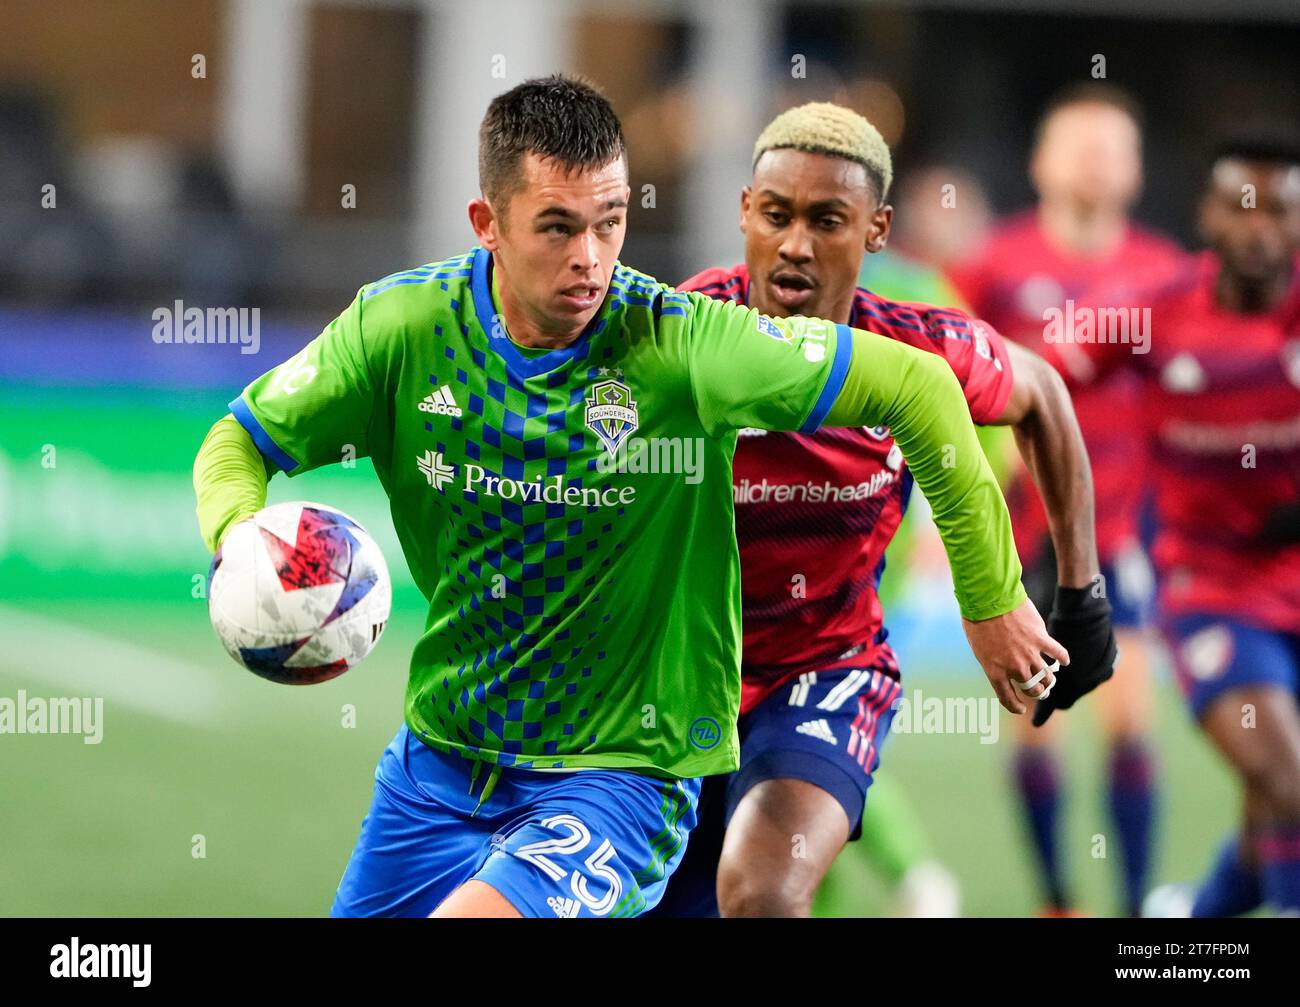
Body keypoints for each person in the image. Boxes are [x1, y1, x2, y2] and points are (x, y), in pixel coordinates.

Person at [191, 76, 1067, 918]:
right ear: (486, 224)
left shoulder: (680, 343)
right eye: (559, 227)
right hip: (438, 760)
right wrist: (241, 543)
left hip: (620, 775)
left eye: (610, 224)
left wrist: (992, 599)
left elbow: (917, 387)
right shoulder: (398, 331)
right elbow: (239, 441)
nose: (592, 259)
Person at [650, 102, 1116, 918]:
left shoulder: (919, 345)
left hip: (825, 668)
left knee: (762, 889)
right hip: (676, 676)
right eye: (776, 214)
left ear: (877, 229)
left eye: (828, 219)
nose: (795, 243)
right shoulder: (676, 332)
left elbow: (1043, 393)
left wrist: (1081, 593)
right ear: (744, 215)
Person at [1052, 133, 1300, 915]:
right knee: (1288, 778)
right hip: (1211, 589)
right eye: (1241, 207)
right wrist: (1061, 503)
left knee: (1275, 800)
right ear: (1208, 215)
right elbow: (1033, 378)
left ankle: (1185, 934)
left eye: (1282, 211)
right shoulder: (1154, 313)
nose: (1260, 228)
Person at [952, 83, 1184, 916]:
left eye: (1112, 146)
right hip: (1020, 531)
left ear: (1135, 168)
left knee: (1131, 717)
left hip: (1126, 524)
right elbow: (941, 377)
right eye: (1078, 144)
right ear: (1040, 162)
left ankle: (1136, 909)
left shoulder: (1164, 273)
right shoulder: (993, 266)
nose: (1095, 159)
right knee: (1035, 719)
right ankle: (1057, 899)